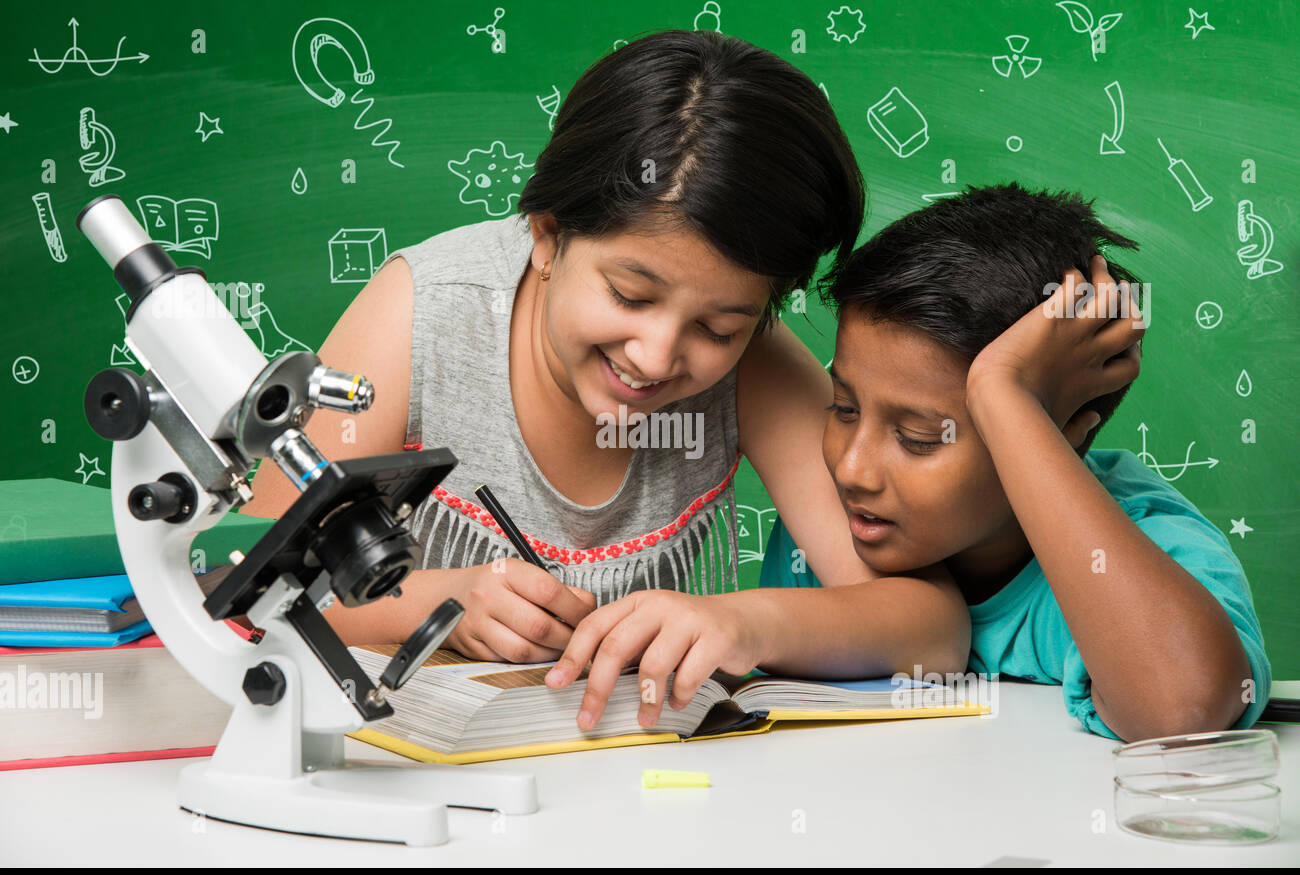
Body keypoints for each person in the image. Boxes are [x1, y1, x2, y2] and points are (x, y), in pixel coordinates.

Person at [241, 30, 973, 710]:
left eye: (719, 326)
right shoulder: (424, 312)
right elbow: (242, 573)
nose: (656, 356)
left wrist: (745, 620)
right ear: (549, 235)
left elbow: (934, 629)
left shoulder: (754, 362)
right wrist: (446, 598)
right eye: (630, 294)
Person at [756, 183, 1270, 742]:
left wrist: (1004, 395)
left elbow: (1185, 713)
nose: (852, 468)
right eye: (845, 407)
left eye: (919, 438)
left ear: (1054, 436)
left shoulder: (1145, 546)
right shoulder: (831, 523)